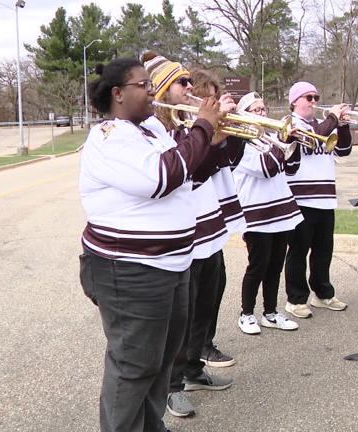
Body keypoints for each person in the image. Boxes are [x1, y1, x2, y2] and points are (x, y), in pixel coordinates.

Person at [78, 57, 228, 432]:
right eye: (142, 85)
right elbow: (161, 177)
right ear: (118, 94)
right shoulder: (109, 137)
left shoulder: (149, 130)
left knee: (161, 361)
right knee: (133, 366)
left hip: (170, 267)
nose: (151, 91)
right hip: (131, 272)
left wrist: (217, 141)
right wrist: (203, 127)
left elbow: (186, 177)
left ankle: (150, 426)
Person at [141, 52, 236, 419]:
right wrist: (206, 135)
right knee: (182, 312)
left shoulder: (189, 126)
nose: (189, 88)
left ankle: (194, 367)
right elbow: (178, 174)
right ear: (165, 88)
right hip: (183, 234)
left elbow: (206, 172)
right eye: (182, 83)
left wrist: (220, 139)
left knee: (207, 303)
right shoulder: (161, 131)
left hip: (209, 227)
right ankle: (173, 384)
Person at [233, 92, 304, 334]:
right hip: (257, 215)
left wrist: (294, 143)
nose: (263, 114)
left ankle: (271, 312)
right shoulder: (241, 142)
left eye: (264, 109)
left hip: (281, 211)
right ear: (244, 115)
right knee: (258, 266)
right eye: (256, 110)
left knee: (275, 267)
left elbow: (291, 168)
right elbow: (266, 168)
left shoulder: (272, 138)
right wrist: (281, 143)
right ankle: (246, 313)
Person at [283, 81, 352, 319]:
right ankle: (295, 299)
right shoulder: (292, 124)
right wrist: (332, 118)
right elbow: (311, 143)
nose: (314, 102)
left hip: (325, 198)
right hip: (301, 198)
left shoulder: (323, 125)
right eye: (308, 97)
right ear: (295, 101)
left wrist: (342, 126)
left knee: (324, 250)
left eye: (315, 97)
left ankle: (322, 293)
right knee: (299, 250)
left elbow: (343, 151)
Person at [188, 67, 241, 368]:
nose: (212, 105)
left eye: (214, 99)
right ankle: (186, 367)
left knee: (214, 288)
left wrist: (228, 135)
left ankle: (202, 351)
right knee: (191, 301)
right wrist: (213, 135)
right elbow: (194, 172)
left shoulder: (204, 132)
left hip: (212, 224)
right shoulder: (187, 133)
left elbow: (228, 161)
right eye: (206, 99)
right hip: (192, 229)